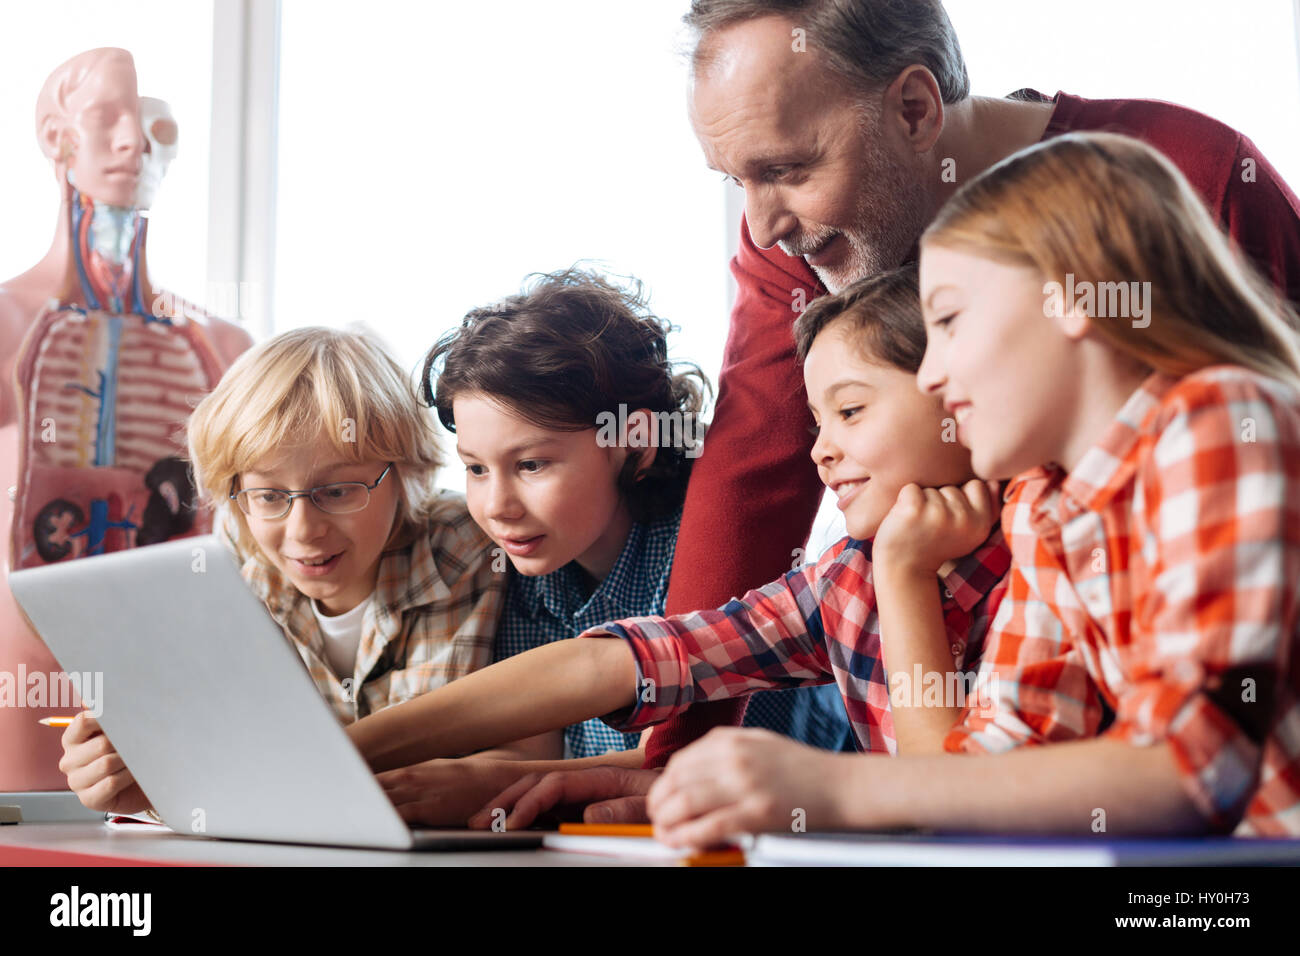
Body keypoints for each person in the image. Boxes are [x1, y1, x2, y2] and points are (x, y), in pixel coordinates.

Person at [648, 0, 1300, 771]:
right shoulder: (1044, 515)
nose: (761, 229)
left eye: (786, 169)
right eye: (735, 180)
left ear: (916, 108)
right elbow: (749, 478)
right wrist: (674, 766)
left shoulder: (1194, 174)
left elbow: (1193, 762)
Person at [345, 265, 1011, 832]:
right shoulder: (844, 583)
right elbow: (619, 663)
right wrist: (348, 751)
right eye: (817, 420)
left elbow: (953, 803)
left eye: (852, 411)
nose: (820, 451)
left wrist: (901, 575)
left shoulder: (1043, 554)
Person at [57, 327, 506, 813]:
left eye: (336, 492)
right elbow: (215, 748)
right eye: (269, 496)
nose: (303, 531)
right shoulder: (229, 569)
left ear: (405, 473)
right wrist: (145, 779)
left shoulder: (468, 546)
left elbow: (424, 768)